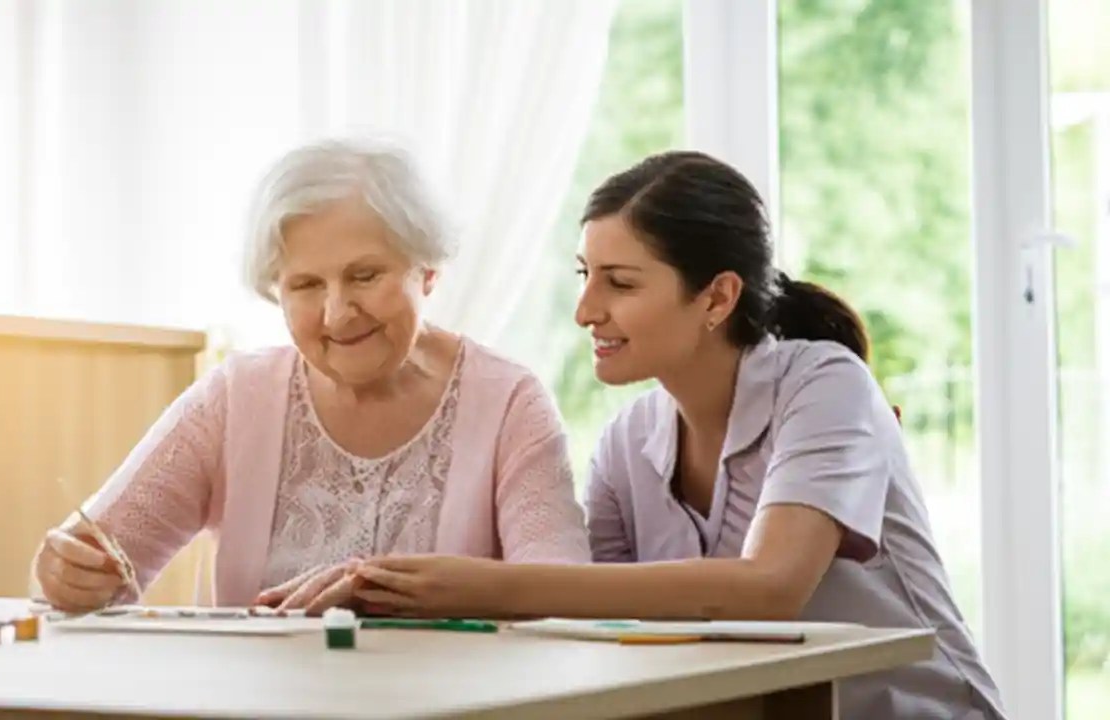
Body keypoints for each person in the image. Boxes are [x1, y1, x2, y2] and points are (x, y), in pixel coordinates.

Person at [347, 151, 1008, 719]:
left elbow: (770, 588)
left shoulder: (825, 384)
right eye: (585, 275)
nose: (585, 311)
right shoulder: (625, 444)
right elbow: (596, 629)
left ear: (717, 298)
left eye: (620, 283)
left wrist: (492, 585)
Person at [31, 139, 590, 614]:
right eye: (305, 286)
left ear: (427, 270)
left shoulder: (510, 403)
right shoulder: (235, 398)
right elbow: (97, 563)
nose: (337, 312)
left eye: (364, 275)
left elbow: (567, 596)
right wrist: (66, 577)